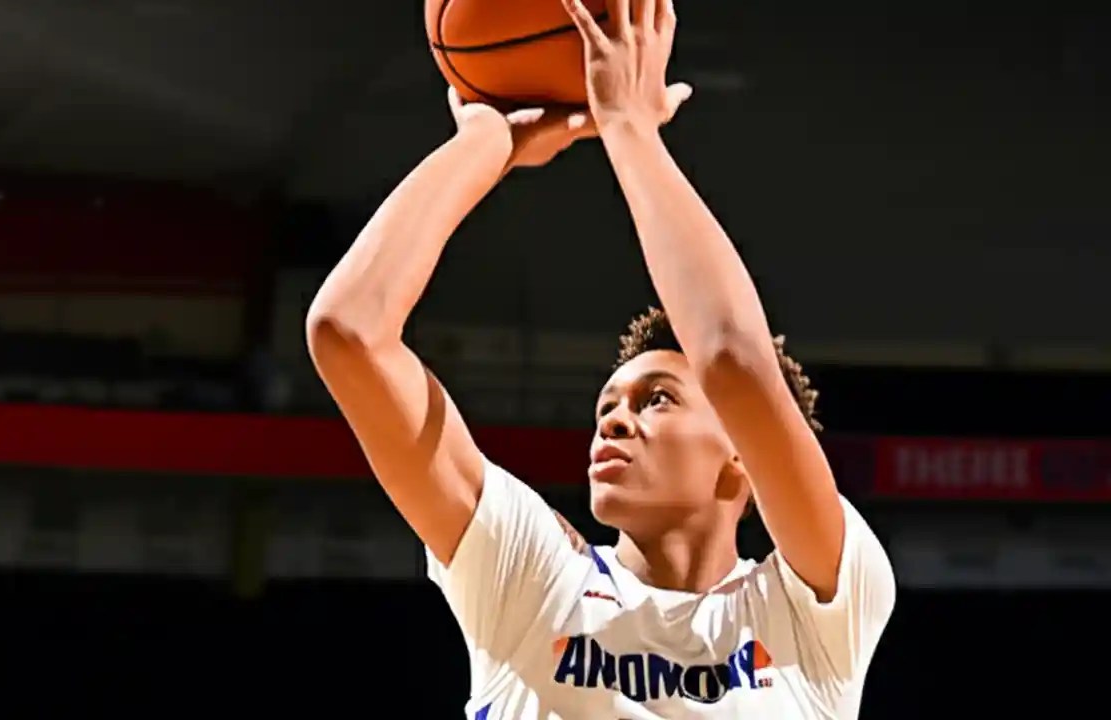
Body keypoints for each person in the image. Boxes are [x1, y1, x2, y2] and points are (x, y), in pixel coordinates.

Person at [305, 0, 895, 715]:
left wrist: (629, 129)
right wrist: (486, 140)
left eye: (657, 399)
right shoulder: (532, 576)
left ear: (740, 457)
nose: (613, 424)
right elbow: (348, 332)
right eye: (606, 407)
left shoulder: (816, 609)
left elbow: (734, 361)